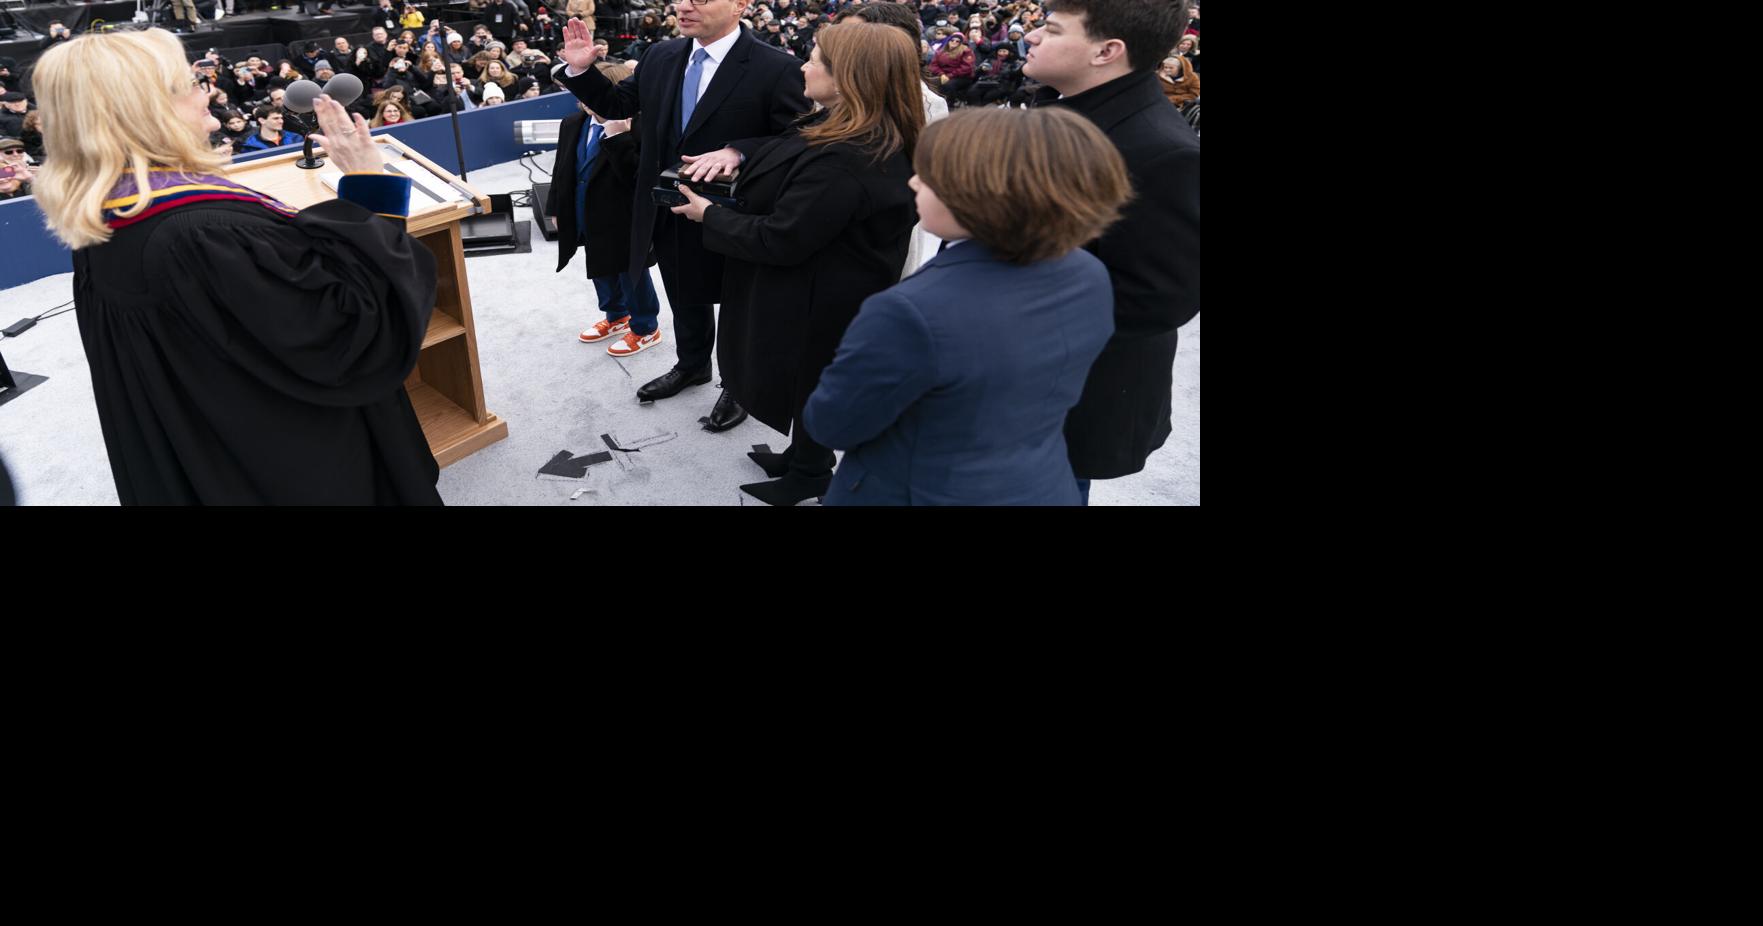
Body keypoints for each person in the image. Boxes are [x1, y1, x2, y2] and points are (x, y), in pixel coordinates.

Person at [32, 29, 444, 504]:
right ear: (143, 109)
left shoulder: (112, 214)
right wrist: (369, 183)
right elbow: (351, 330)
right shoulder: (203, 236)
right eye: (187, 83)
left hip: (213, 453)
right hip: (294, 464)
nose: (206, 90)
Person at [802, 107, 1129, 505]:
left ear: (981, 195)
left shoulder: (911, 312)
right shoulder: (1088, 274)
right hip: (1041, 484)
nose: (914, 181)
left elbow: (833, 424)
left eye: (933, 175)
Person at [669, 21, 922, 505]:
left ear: (848, 77)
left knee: (810, 383)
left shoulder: (848, 157)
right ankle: (803, 459)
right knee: (810, 382)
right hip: (822, 291)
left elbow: (781, 238)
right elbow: (786, 145)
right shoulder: (847, 125)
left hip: (819, 300)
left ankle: (809, 473)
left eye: (816, 60)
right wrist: (735, 153)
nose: (803, 66)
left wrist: (709, 215)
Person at [550, 1, 810, 430]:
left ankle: (737, 385)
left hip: (735, 212)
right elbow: (617, 104)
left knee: (738, 303)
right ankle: (692, 366)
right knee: (682, 288)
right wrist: (581, 72)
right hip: (667, 205)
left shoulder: (777, 67)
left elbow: (798, 135)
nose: (684, 6)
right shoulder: (661, 55)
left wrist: (740, 150)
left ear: (740, 5)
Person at [1024, 0, 1199, 502]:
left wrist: (1012, 314)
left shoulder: (1159, 150)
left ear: (1107, 51)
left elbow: (1158, 298)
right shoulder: (1070, 108)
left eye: (1053, 30)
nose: (1033, 37)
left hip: (1067, 393)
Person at [548, 61, 663, 357]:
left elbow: (638, 178)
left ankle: (645, 326)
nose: (586, 100)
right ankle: (616, 316)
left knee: (629, 272)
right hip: (585, 212)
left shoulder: (641, 129)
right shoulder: (572, 123)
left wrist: (619, 137)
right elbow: (561, 170)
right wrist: (556, 208)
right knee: (599, 266)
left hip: (623, 219)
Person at [237, 104, 305, 151]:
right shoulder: (250, 145)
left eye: (281, 118)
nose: (281, 121)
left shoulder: (295, 138)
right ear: (262, 120)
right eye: (275, 118)